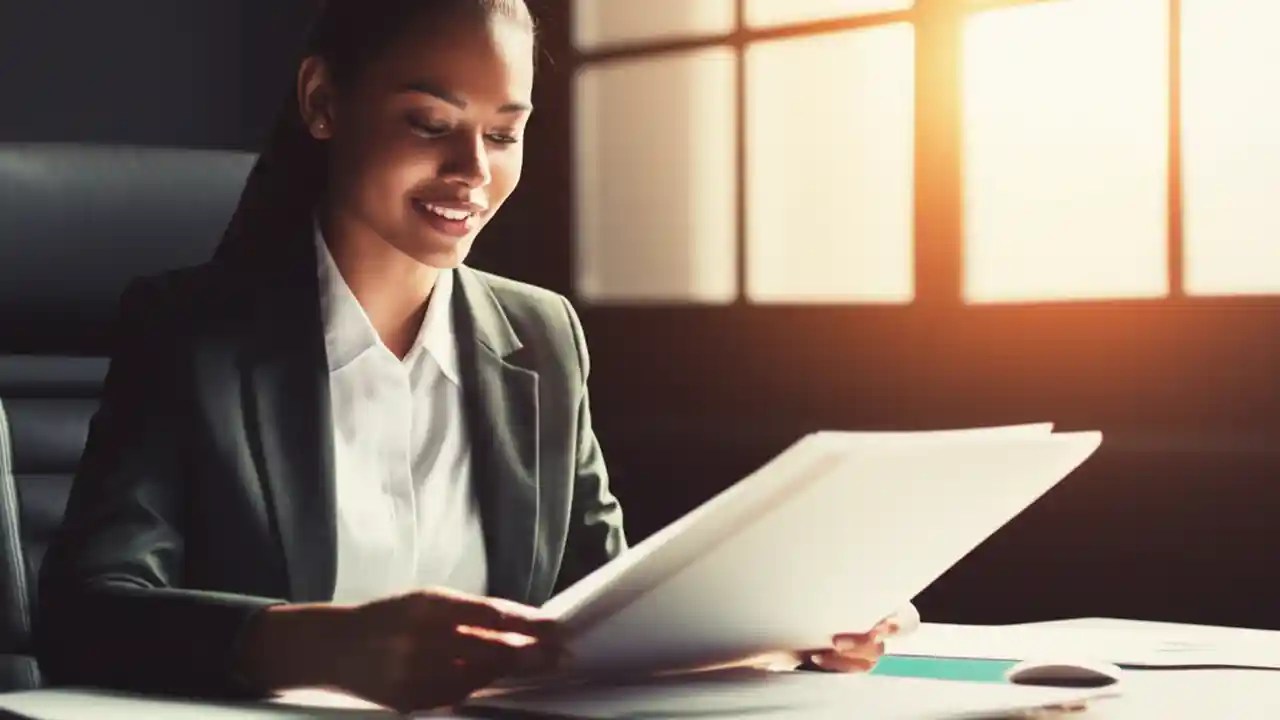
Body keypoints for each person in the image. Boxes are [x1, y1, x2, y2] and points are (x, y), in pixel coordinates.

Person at [34, 0, 914, 713]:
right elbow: (85, 616)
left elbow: (601, 608)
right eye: (431, 124)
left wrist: (793, 627)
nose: (473, 171)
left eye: (503, 134)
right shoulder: (190, 333)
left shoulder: (542, 335)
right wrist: (330, 645)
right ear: (323, 101)